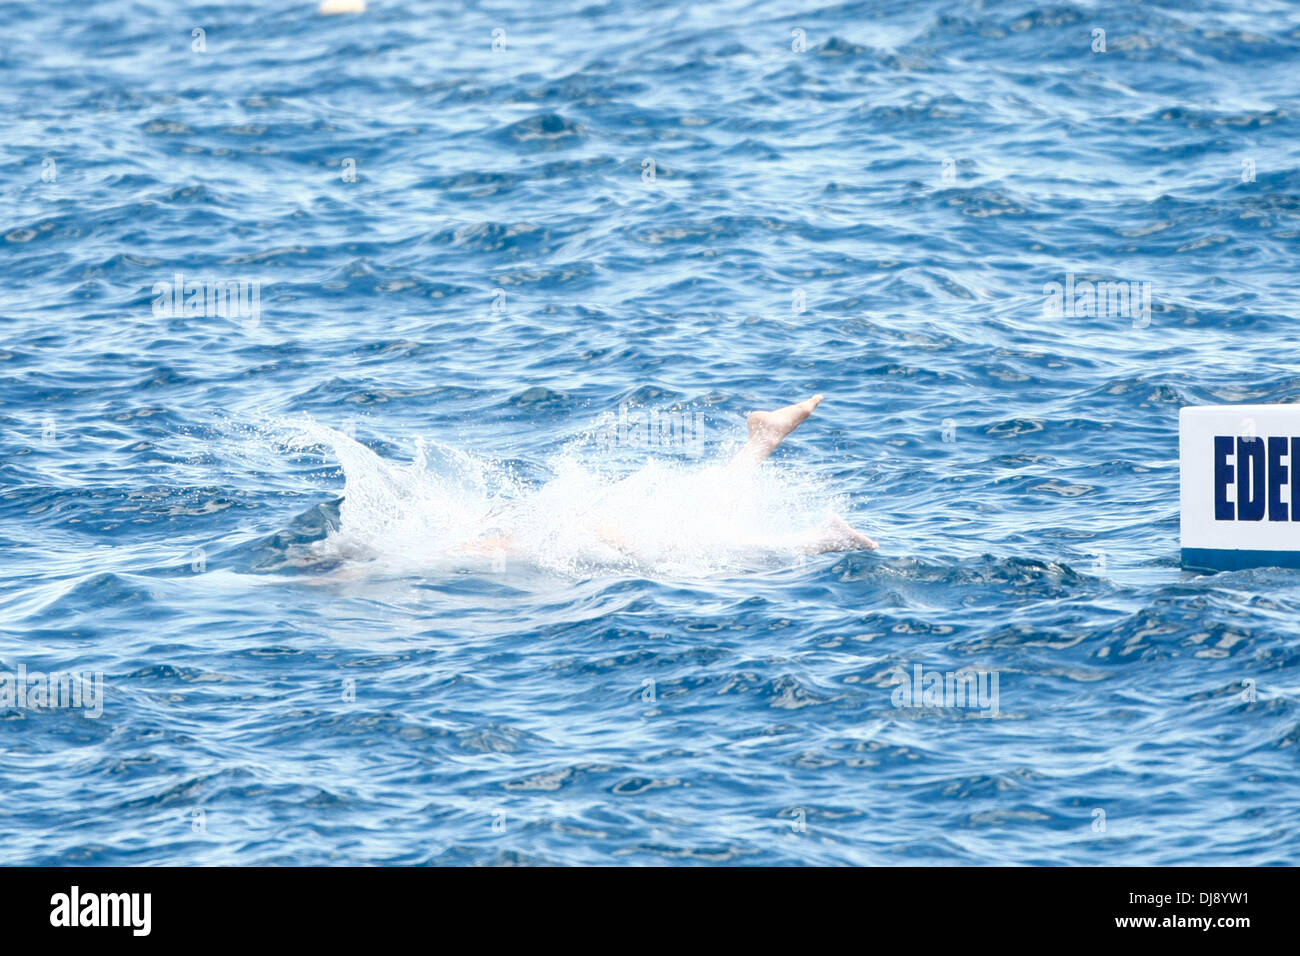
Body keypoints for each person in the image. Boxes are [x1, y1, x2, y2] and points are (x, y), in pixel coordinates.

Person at [466, 394, 877, 559]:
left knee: (700, 547)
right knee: (706, 535)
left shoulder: (531, 536)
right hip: (624, 531)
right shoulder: (540, 532)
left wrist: (445, 557)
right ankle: (763, 441)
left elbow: (486, 547)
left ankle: (819, 536)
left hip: (624, 534)